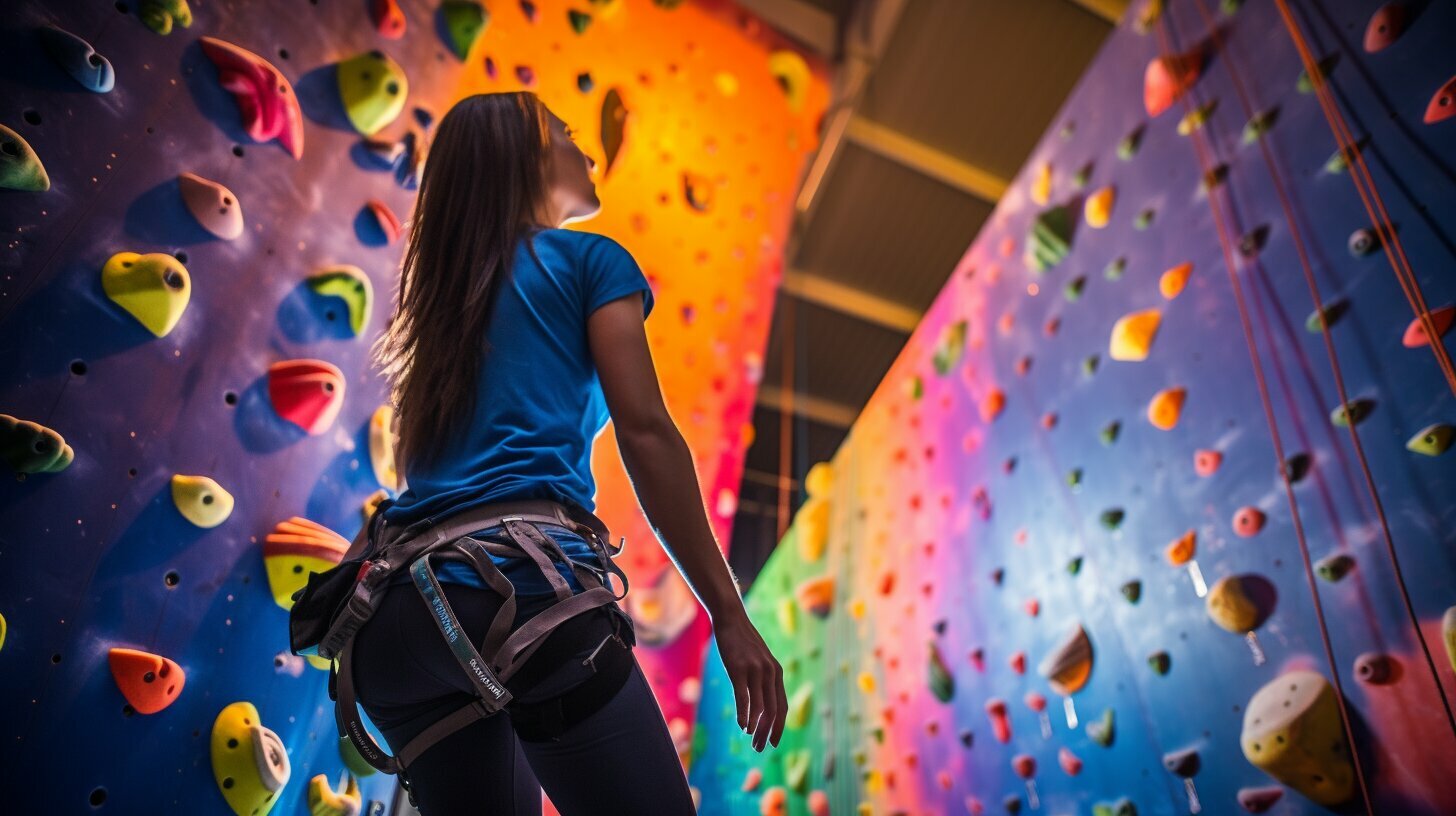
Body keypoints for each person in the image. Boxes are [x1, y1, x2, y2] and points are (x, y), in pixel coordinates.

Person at [350, 91, 786, 815]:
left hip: (394, 624)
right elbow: (645, 432)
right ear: (524, 156)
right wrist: (728, 614)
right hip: (516, 593)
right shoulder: (590, 260)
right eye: (566, 133)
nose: (586, 151)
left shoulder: (434, 305)